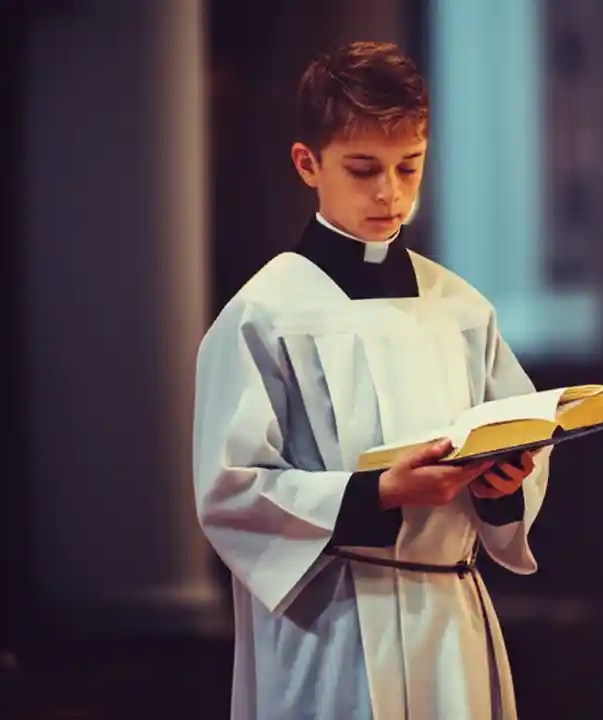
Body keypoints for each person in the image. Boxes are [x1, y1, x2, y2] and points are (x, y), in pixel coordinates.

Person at [193, 40, 549, 720]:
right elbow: (230, 490)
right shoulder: (264, 315)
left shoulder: (462, 310)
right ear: (308, 164)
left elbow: (517, 458)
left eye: (408, 166)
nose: (390, 193)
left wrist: (504, 488)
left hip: (450, 621)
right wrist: (379, 493)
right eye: (363, 170)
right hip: (332, 631)